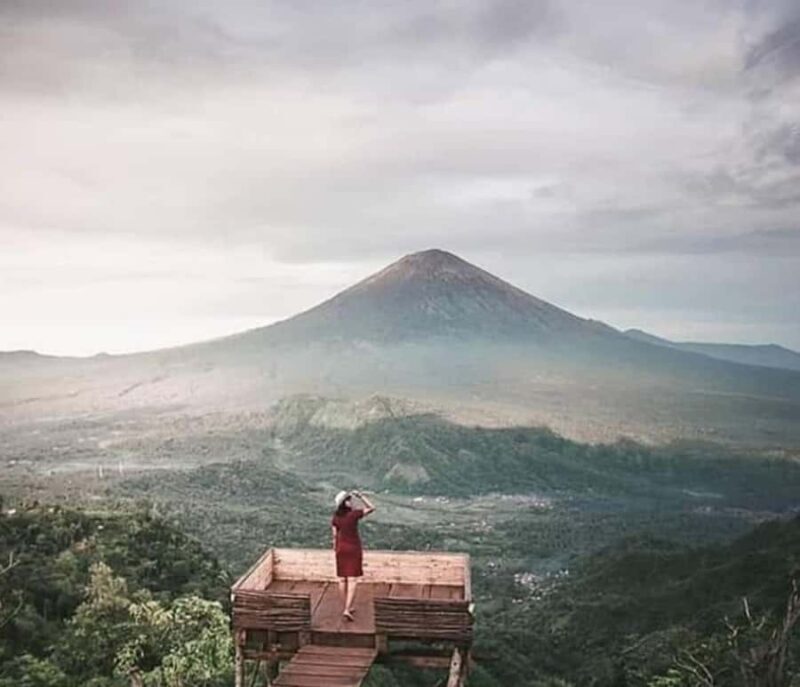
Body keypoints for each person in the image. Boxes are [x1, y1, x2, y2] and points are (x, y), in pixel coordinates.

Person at [331, 489, 376, 621]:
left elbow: (334, 536)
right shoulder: (353, 515)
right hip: (353, 548)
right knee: (352, 579)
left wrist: (336, 548)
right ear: (345, 503)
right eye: (349, 500)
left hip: (340, 549)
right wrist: (361, 496)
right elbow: (372, 508)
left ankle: (347, 606)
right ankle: (347, 609)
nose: (351, 501)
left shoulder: (335, 518)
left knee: (341, 579)